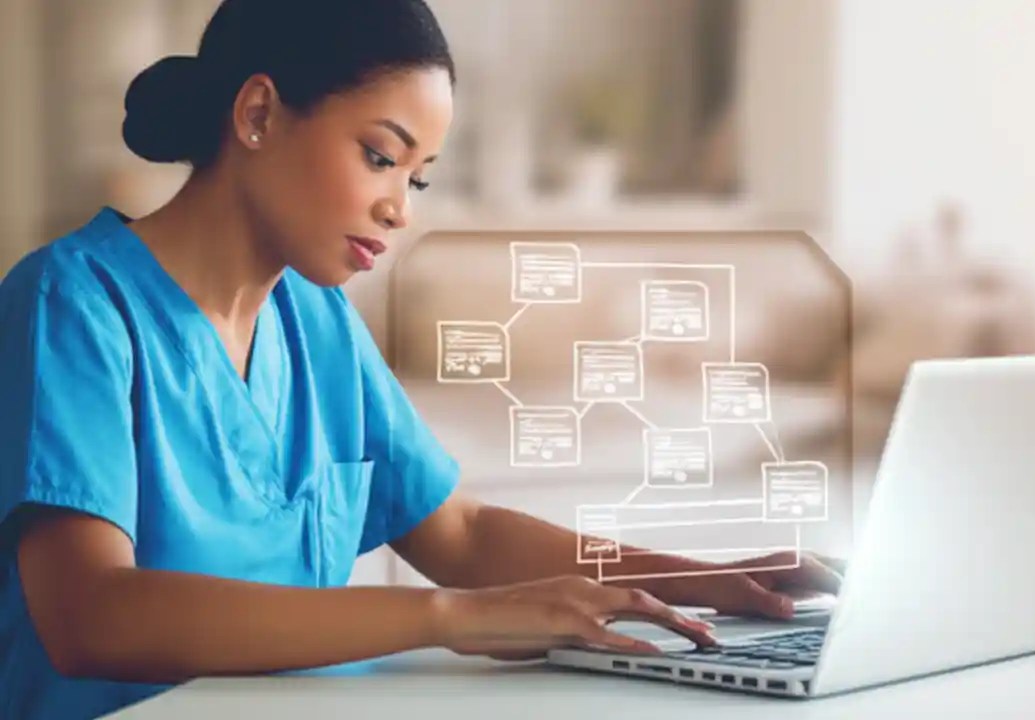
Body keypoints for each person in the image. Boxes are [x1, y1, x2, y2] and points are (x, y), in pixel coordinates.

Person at [0, 1, 840, 717]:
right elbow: (94, 617)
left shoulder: (316, 320)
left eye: (420, 178)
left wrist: (710, 579)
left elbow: (461, 532)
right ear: (257, 115)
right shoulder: (71, 304)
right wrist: (452, 618)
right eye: (380, 156)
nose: (400, 210)